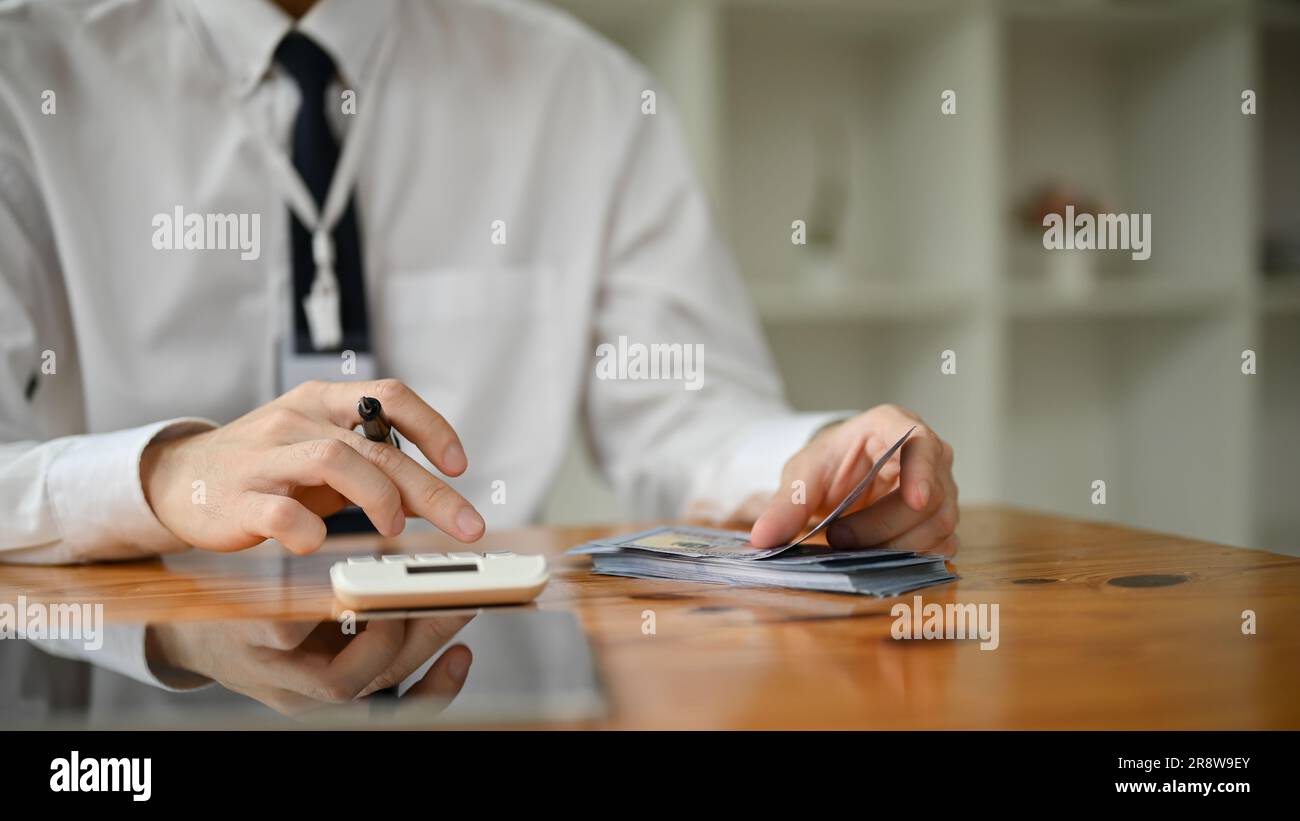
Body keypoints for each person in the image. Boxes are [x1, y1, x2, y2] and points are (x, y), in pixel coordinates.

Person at [0, 0, 958, 567]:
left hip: (479, 669)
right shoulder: (22, 75)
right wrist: (163, 474)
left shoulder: (581, 90)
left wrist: (818, 463)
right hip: (118, 694)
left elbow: (685, 416)